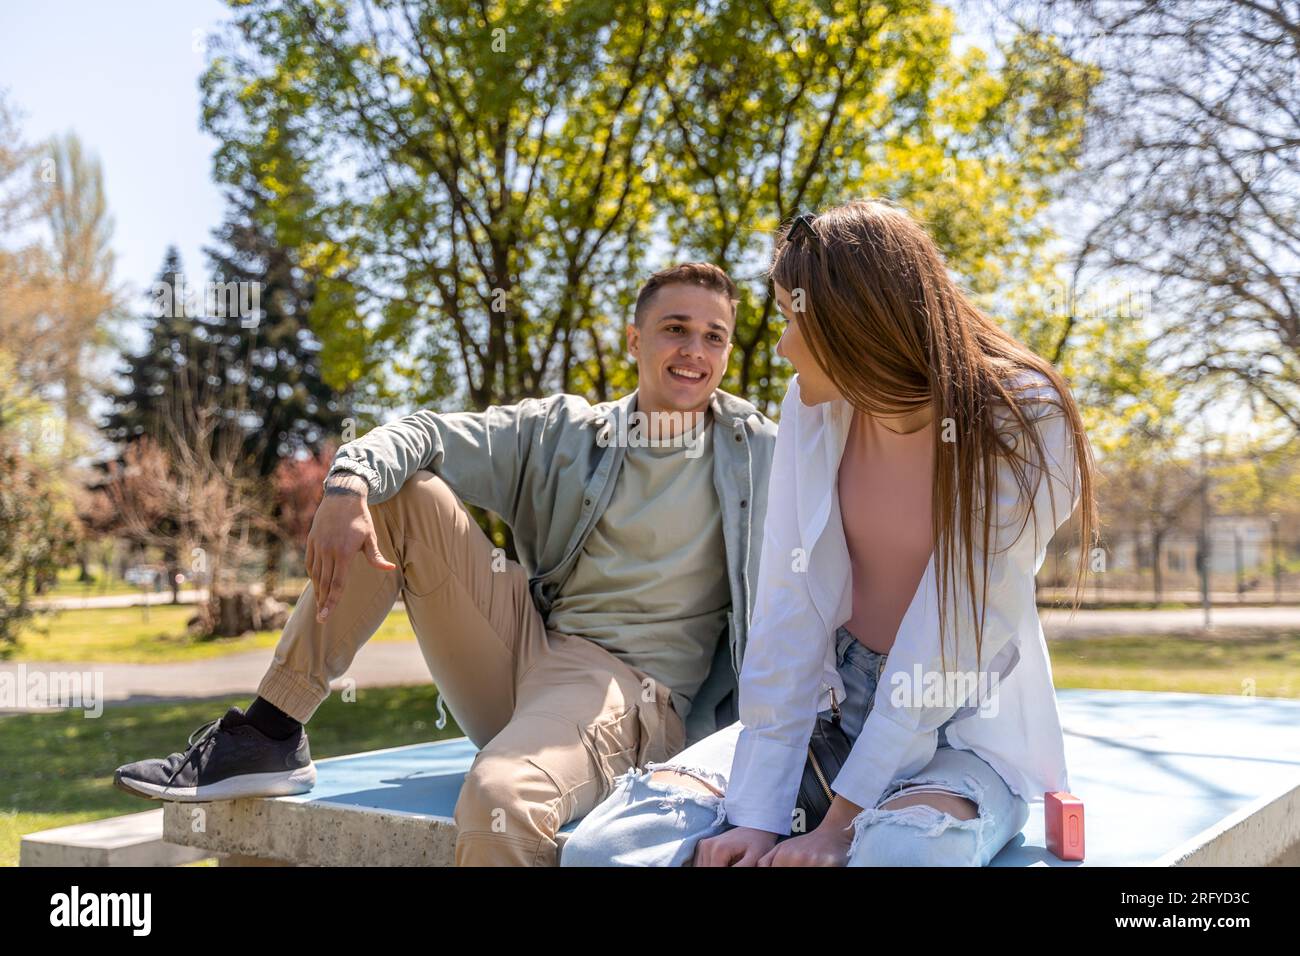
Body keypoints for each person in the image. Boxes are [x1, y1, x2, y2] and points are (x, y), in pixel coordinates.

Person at [113, 262, 778, 866]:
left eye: (714, 336)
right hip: (522, 647)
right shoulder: (566, 432)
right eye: (675, 328)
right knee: (402, 490)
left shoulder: (760, 455)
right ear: (634, 340)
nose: (694, 351)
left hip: (629, 693)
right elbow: (425, 432)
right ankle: (271, 727)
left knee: (499, 798)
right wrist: (346, 484)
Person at [561, 199, 1098, 866]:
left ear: (853, 325)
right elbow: (789, 611)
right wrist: (758, 815)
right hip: (827, 720)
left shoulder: (1024, 419)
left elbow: (952, 638)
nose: (782, 345)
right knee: (605, 849)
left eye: (790, 320)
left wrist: (839, 823)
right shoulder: (813, 408)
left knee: (902, 855)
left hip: (959, 738)